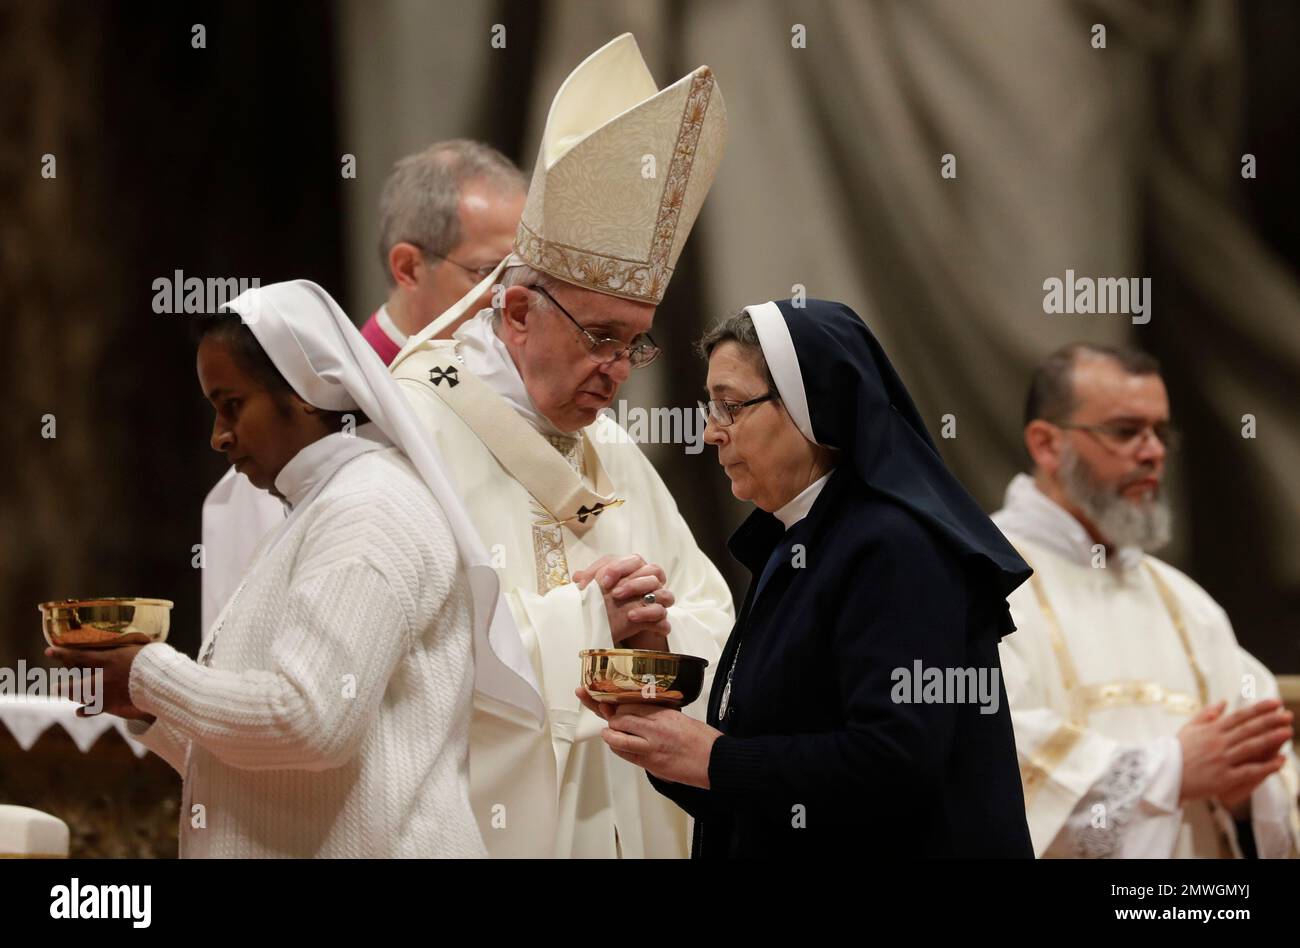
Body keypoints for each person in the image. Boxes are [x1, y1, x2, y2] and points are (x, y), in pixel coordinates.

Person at [389, 33, 733, 857]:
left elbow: (715, 617)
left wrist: (658, 642)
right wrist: (585, 620)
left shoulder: (612, 451)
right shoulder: (414, 429)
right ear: (514, 314)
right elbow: (399, 658)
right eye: (601, 336)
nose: (619, 372)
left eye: (636, 345)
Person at [48, 280, 537, 857]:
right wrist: (149, 704)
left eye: (233, 406)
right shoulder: (313, 512)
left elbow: (310, 724)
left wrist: (153, 674)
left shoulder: (369, 508)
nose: (218, 436)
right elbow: (268, 764)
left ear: (306, 390)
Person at [579, 300, 1035, 858]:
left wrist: (714, 759)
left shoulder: (896, 545)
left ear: (812, 404)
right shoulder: (794, 540)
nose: (709, 434)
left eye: (729, 407)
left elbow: (896, 764)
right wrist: (656, 719)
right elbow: (765, 782)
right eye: (708, 408)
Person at [200, 140, 525, 636]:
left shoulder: (516, 402)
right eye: (490, 273)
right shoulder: (310, 421)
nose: (513, 298)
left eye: (522, 273)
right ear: (409, 267)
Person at [994, 342, 1300, 858]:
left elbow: (1269, 770)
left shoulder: (1186, 604)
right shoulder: (978, 579)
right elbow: (996, 761)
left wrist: (1247, 793)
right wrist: (1173, 770)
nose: (1153, 451)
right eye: (1125, 431)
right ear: (1047, 444)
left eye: (1160, 432)